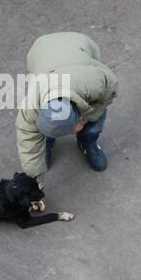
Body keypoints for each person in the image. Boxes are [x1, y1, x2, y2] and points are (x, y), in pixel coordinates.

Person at [16, 32, 118, 186]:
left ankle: (87, 142)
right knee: (41, 135)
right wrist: (35, 181)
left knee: (95, 121)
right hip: (39, 50)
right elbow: (28, 144)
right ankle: (46, 143)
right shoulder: (31, 106)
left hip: (79, 44)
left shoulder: (94, 83)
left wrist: (86, 119)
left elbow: (108, 94)